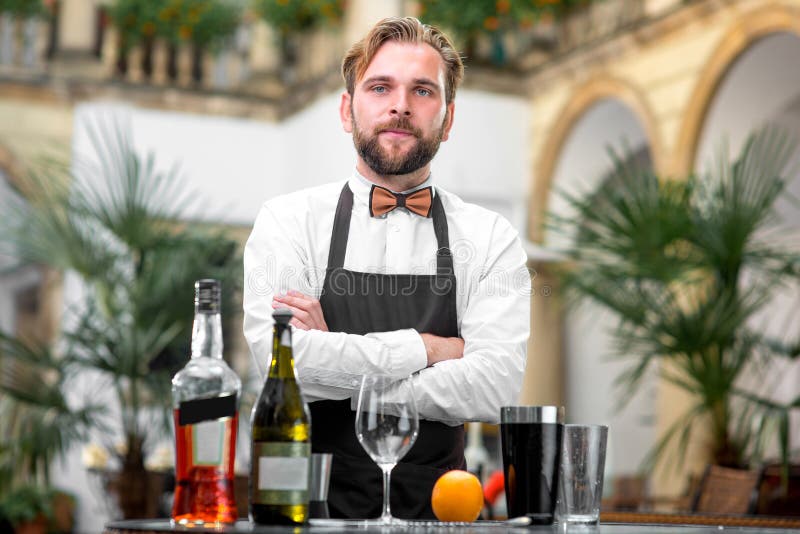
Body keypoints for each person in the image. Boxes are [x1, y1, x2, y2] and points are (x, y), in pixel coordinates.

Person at [243, 16, 530, 520]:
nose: (400, 105)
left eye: (422, 90)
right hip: (307, 517)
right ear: (347, 110)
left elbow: (494, 386)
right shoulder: (288, 221)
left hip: (444, 520)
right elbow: (281, 364)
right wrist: (429, 348)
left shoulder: (489, 237)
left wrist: (338, 368)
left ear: (448, 117)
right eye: (380, 87)